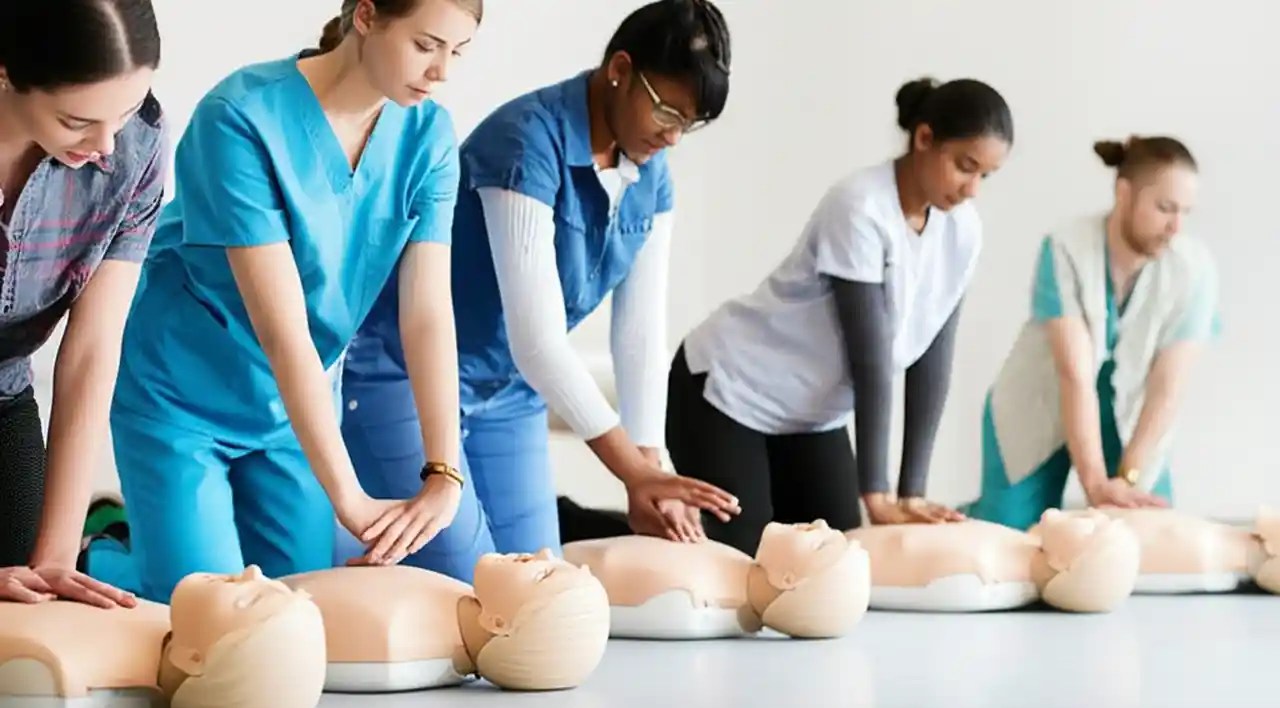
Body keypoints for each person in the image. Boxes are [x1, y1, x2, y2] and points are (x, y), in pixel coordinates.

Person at [340, 0, 740, 581]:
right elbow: (539, 343)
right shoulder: (526, 142)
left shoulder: (651, 174)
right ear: (620, 70)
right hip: (404, 375)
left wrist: (652, 471)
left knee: (539, 587)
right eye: (665, 111)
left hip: (508, 398)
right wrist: (628, 469)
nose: (673, 138)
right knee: (465, 582)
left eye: (689, 123)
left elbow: (641, 332)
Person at [105, 0, 483, 603]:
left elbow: (428, 313)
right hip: (182, 395)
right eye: (426, 45)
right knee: (212, 612)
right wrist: (349, 498)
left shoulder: (429, 136)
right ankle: (104, 551)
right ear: (366, 16)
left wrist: (444, 471)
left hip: (292, 412)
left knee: (297, 609)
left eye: (458, 52)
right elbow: (284, 333)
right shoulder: (239, 117)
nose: (442, 72)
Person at [568, 78, 1014, 555]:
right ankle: (565, 521)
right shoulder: (861, 205)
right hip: (727, 391)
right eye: (965, 167)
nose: (972, 189)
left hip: (810, 417)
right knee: (735, 553)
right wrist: (877, 496)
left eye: (985, 175)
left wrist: (912, 493)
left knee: (829, 555)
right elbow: (872, 359)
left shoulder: (963, 229)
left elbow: (931, 360)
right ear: (924, 139)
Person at [963, 136, 1218, 530]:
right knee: (1007, 537)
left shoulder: (1195, 268)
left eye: (1186, 212)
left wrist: (1127, 475)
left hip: (1133, 417)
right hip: (1041, 402)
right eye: (1165, 208)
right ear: (1123, 192)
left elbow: (1169, 384)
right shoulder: (1066, 246)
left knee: (1144, 535)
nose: (1175, 227)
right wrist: (1095, 483)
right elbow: (1075, 374)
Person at [0, 0, 165, 608]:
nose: (105, 145)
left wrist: (56, 554)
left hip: (3, 392)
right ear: (5, 72)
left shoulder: (135, 146)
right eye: (77, 121)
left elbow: (93, 347)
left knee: (30, 599)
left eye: (122, 112)